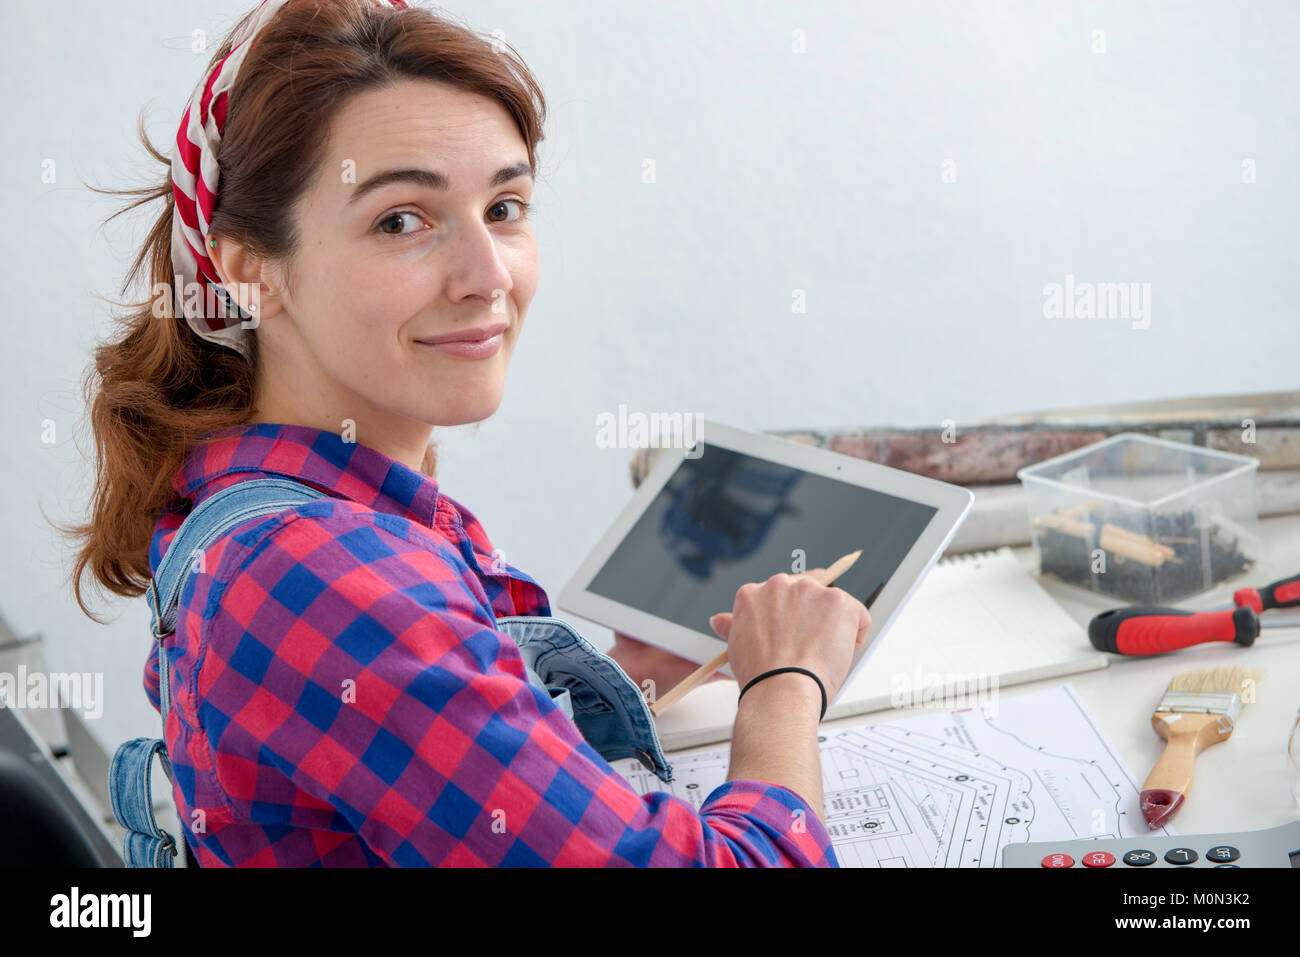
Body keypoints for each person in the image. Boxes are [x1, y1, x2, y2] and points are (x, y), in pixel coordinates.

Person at [65, 0, 870, 866]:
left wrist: (579, 700)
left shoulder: (260, 507)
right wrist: (786, 684)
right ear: (250, 271)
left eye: (505, 206)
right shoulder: (325, 577)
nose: (488, 277)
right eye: (400, 219)